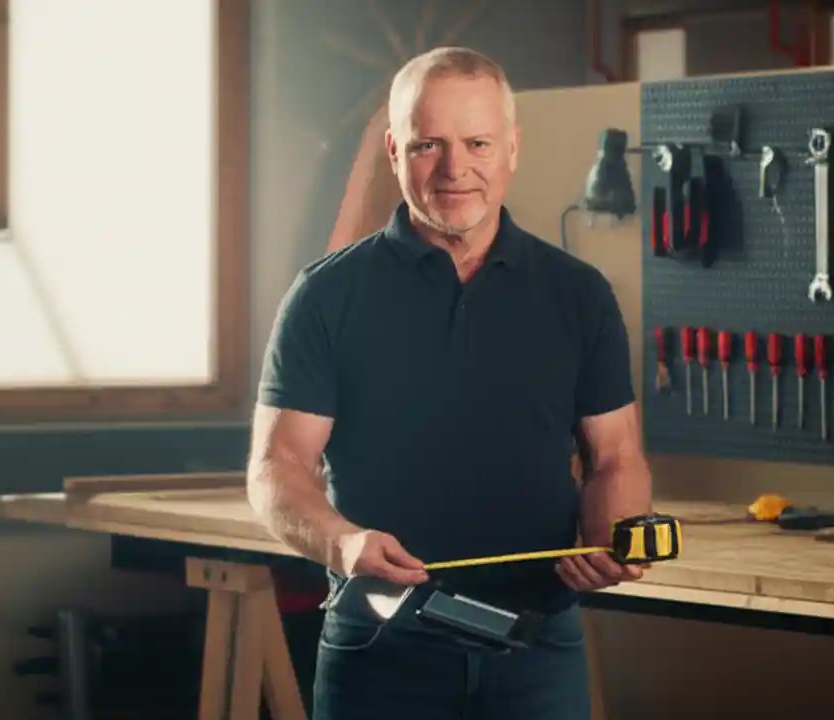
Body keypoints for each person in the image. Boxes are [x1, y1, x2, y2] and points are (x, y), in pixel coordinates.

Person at [247, 45, 653, 720]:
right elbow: (276, 466)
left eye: (478, 142)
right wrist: (343, 542)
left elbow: (617, 457)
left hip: (537, 648)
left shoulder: (579, 295)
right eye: (429, 144)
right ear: (394, 150)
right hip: (381, 641)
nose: (455, 168)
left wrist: (612, 535)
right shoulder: (327, 297)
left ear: (512, 149)